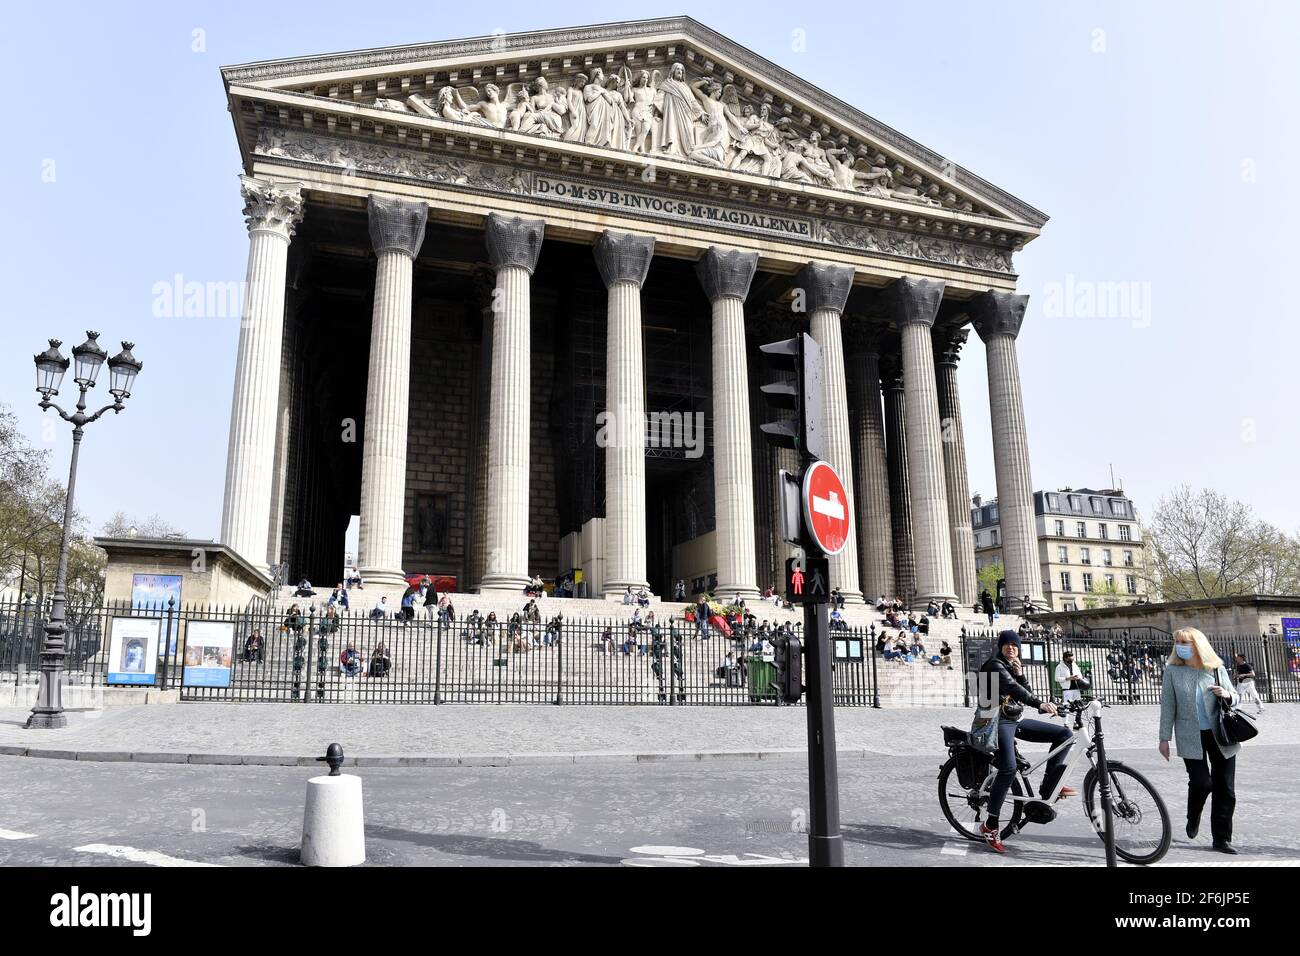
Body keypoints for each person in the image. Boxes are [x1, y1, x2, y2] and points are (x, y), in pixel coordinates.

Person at [978, 631, 1075, 854]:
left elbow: (1024, 691)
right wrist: (1040, 704)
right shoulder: (994, 665)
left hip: (1015, 719)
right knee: (1008, 769)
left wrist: (1021, 674)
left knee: (1065, 735)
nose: (1011, 648)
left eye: (1014, 645)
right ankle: (990, 825)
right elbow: (1015, 690)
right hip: (996, 721)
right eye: (1006, 644)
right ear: (1000, 647)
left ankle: (1049, 787)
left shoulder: (1010, 666)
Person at [1159, 628, 1241, 854]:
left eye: (1184, 642)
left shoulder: (1216, 668)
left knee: (1225, 787)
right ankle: (1193, 815)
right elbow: (1168, 706)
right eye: (1177, 642)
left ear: (1198, 645)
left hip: (1221, 734)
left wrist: (1227, 695)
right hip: (1189, 734)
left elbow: (1236, 697)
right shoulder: (1173, 671)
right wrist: (1164, 738)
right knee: (1201, 782)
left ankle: (1221, 839)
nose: (1179, 646)